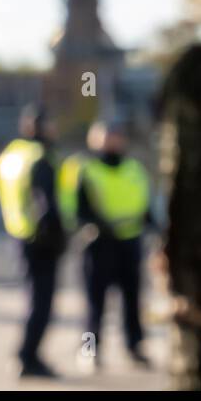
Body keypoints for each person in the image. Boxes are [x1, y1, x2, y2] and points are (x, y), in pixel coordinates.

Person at [63, 120, 152, 369]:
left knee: (132, 300)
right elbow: (75, 209)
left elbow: (144, 205)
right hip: (98, 244)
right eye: (106, 136)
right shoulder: (86, 169)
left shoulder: (134, 168)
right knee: (95, 303)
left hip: (129, 243)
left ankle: (135, 346)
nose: (112, 141)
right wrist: (95, 225)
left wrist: (153, 228)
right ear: (94, 140)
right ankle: (91, 350)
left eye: (115, 136)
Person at [0, 104, 66, 378]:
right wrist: (58, 233)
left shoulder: (12, 155)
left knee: (34, 300)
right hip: (41, 240)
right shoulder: (41, 157)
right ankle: (29, 357)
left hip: (20, 235)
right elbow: (47, 203)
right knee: (42, 303)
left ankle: (28, 355)